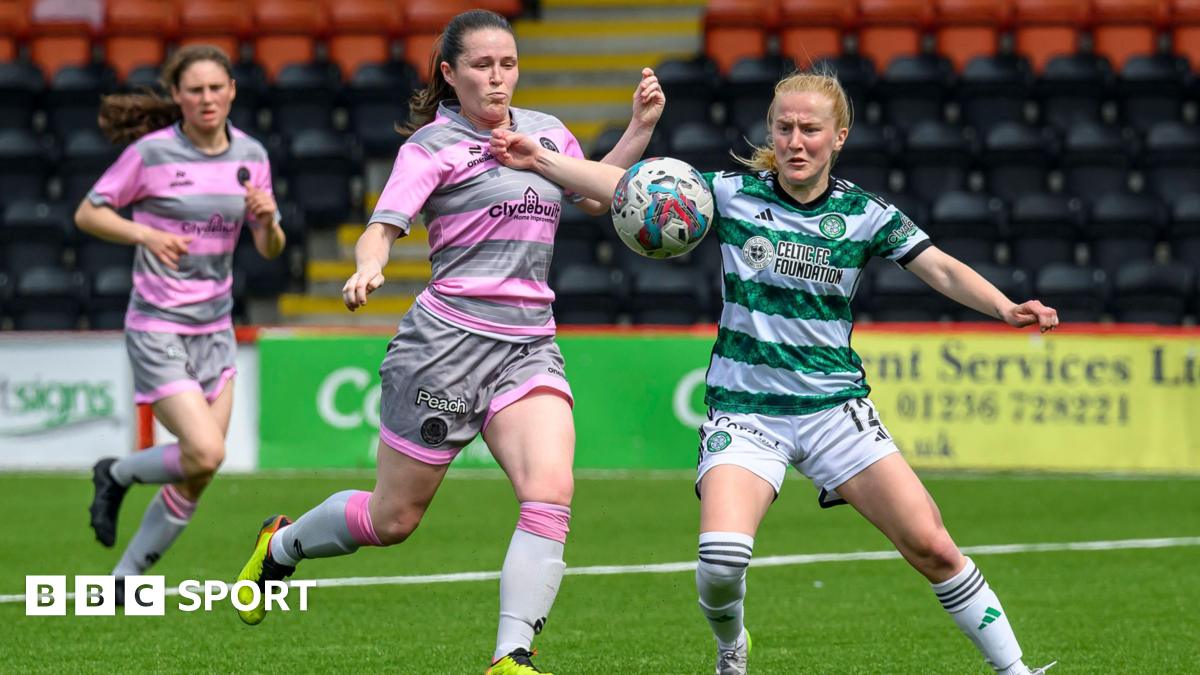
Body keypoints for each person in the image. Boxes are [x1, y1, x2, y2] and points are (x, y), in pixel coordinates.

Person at [488, 71, 1060, 675]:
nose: (795, 140)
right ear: (771, 131)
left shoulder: (864, 214)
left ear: (838, 136)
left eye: (810, 129)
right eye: (783, 128)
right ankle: (732, 645)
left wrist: (1005, 307)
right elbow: (631, 185)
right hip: (745, 410)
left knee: (931, 545)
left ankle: (1015, 670)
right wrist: (541, 159)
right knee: (721, 558)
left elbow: (939, 269)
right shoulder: (733, 194)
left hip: (834, 410)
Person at [232, 10, 663, 675]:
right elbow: (383, 225)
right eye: (483, 66)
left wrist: (637, 130)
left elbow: (597, 197)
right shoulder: (431, 147)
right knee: (392, 519)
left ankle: (510, 656)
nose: (498, 78)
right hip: (445, 347)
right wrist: (369, 263)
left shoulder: (547, 133)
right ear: (450, 74)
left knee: (550, 487)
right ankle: (282, 545)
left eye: (508, 64)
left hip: (528, 345)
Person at [77, 44, 285, 601]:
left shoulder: (252, 155)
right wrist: (145, 233)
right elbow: (88, 211)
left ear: (232, 90)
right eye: (194, 90)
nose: (207, 99)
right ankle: (118, 473)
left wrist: (267, 222)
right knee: (207, 451)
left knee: (198, 471)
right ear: (177, 96)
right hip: (158, 324)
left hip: (214, 329)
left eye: (216, 88)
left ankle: (124, 582)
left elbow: (270, 247)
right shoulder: (150, 155)